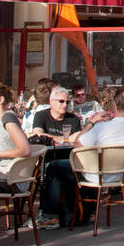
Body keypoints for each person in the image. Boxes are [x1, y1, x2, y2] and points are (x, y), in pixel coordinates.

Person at [67, 89, 124, 188]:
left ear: (114, 104)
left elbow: (77, 144)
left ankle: (70, 202)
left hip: (94, 174)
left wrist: (92, 122)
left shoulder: (101, 127)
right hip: (120, 174)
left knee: (55, 166)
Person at [30, 86, 80, 229]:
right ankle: (54, 215)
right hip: (45, 158)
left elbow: (77, 139)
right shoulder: (41, 116)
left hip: (68, 159)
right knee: (53, 171)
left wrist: (52, 137)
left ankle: (49, 215)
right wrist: (64, 138)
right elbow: (38, 135)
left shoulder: (73, 119)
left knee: (55, 171)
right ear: (51, 102)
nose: (65, 105)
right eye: (61, 101)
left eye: (67, 102)